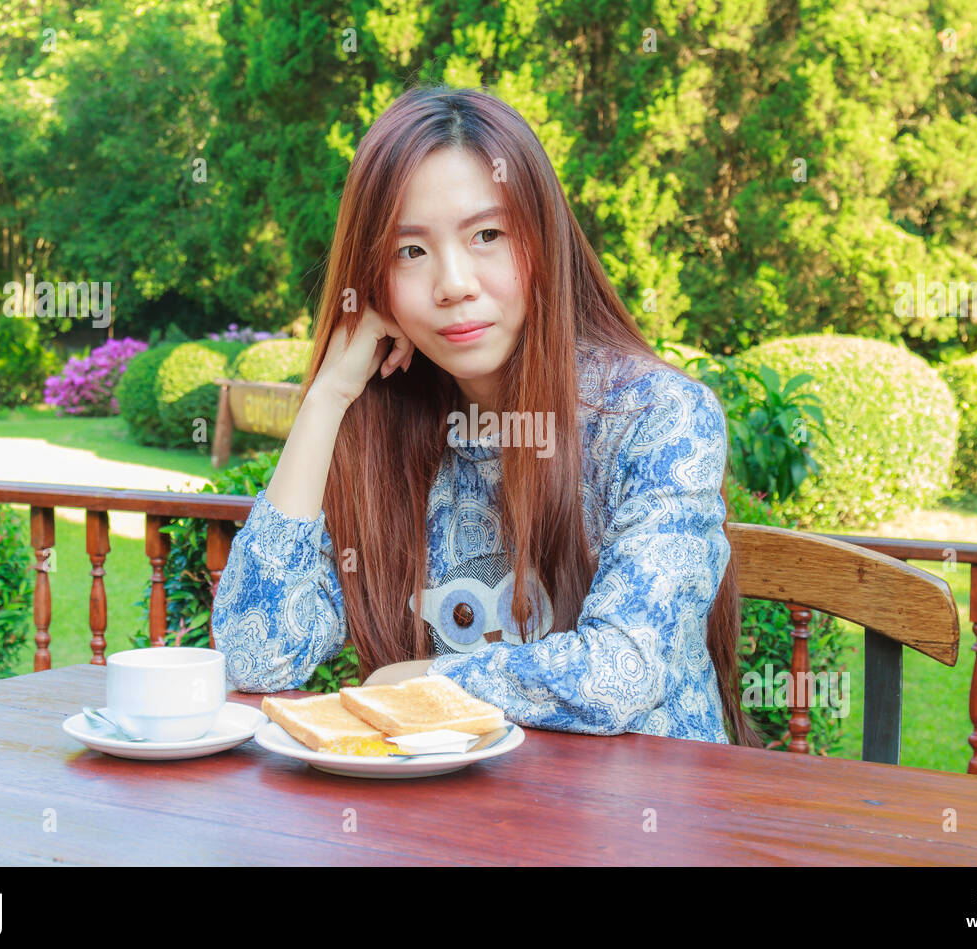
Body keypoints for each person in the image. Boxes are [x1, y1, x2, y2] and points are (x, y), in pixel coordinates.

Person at [211, 84, 759, 747]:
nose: (454, 283)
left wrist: (424, 682)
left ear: (543, 242)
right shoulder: (386, 432)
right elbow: (256, 657)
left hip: (642, 825)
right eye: (409, 251)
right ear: (376, 280)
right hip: (451, 825)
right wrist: (327, 399)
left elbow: (624, 668)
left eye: (488, 235)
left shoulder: (657, 417)